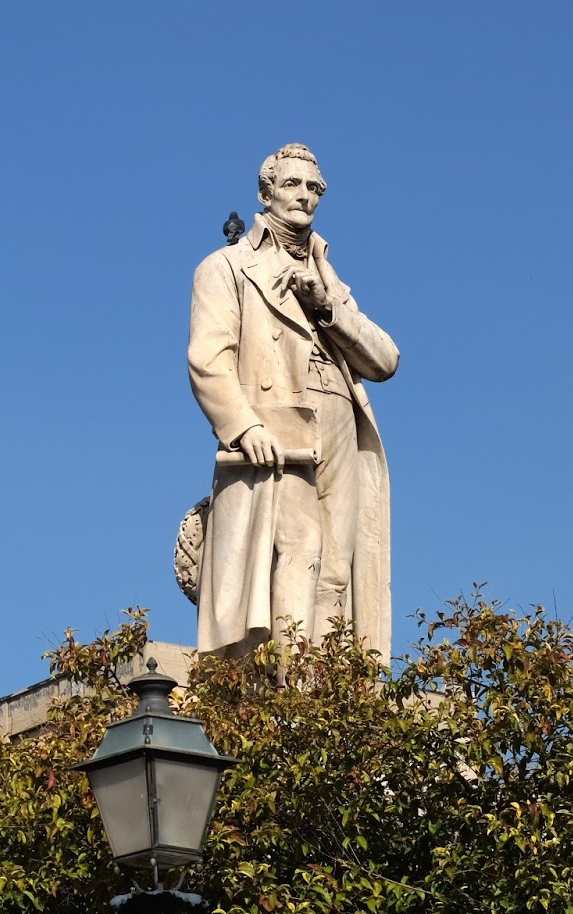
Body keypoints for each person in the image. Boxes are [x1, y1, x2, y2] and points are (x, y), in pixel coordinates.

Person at [187, 144, 399, 658]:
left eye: (314, 187)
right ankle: (288, 685)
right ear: (266, 192)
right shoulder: (227, 267)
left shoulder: (327, 275)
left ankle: (324, 689)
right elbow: (208, 358)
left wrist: (326, 307)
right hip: (277, 426)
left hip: (338, 418)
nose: (304, 196)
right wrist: (243, 426)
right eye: (292, 184)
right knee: (300, 548)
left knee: (336, 567)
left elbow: (385, 359)